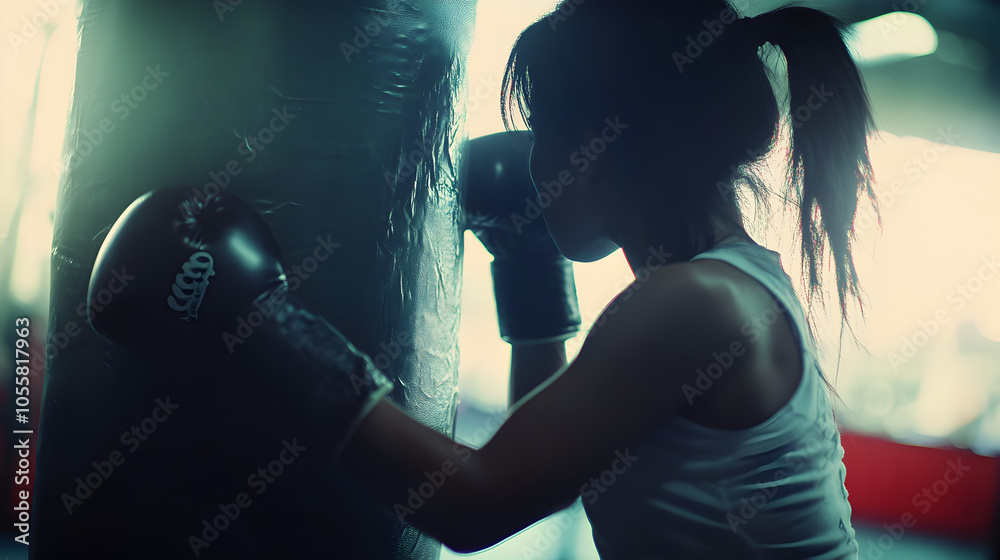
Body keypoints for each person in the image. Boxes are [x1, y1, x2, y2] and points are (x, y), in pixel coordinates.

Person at [89, 1, 876, 557]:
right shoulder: (733, 284)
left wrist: (265, 323)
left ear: (591, 149)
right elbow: (552, 469)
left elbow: (470, 505)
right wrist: (531, 275)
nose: (533, 166)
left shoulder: (691, 306)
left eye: (543, 133)